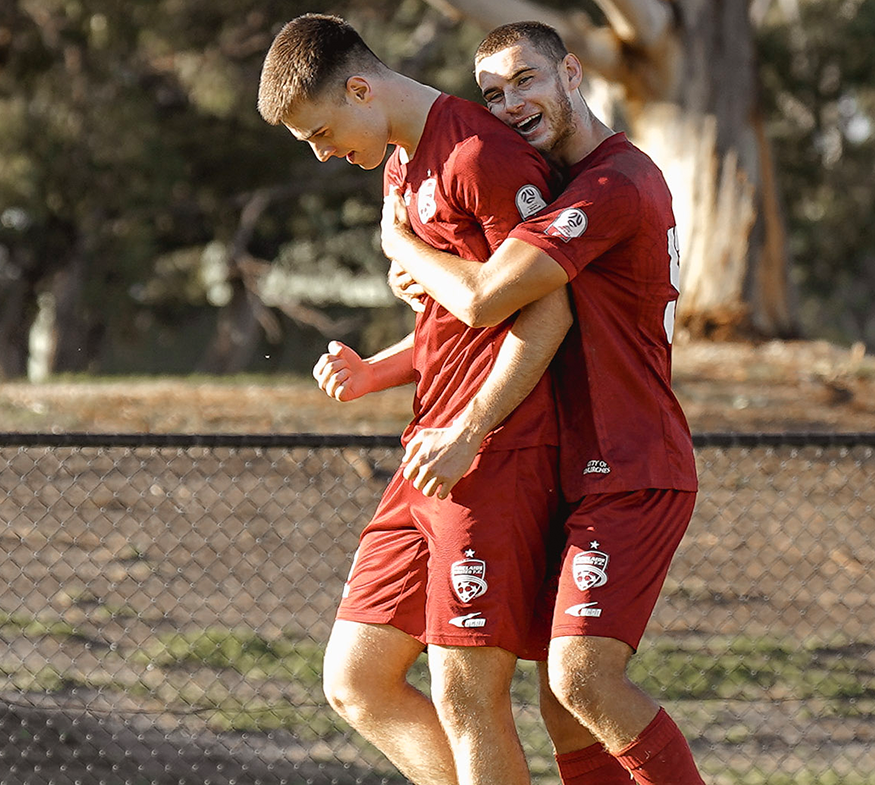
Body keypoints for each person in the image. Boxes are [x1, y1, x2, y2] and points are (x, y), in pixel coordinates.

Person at [257, 14, 579, 785]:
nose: (323, 152)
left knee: (466, 689)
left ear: (362, 88)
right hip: (427, 450)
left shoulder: (478, 154)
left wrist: (471, 430)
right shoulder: (400, 166)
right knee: (355, 676)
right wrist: (378, 369)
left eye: (322, 131)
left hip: (491, 450)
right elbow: (455, 318)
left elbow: (546, 310)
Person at [380, 21, 705, 785]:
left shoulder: (612, 182)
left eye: (525, 79)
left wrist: (404, 247)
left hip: (631, 461)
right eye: (492, 93)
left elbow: (492, 296)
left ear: (571, 73)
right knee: (563, 701)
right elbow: (482, 301)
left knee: (582, 678)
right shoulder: (554, 187)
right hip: (568, 463)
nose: (509, 101)